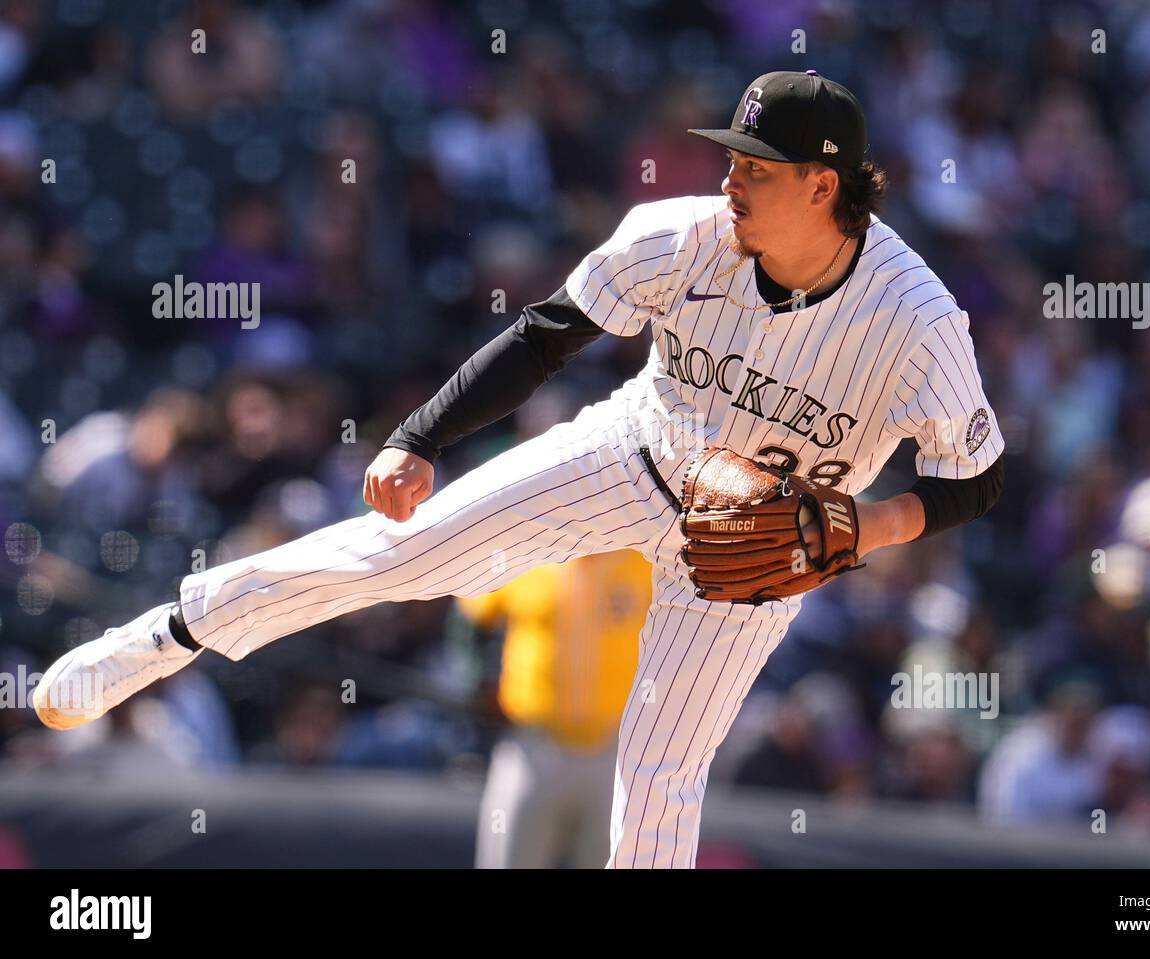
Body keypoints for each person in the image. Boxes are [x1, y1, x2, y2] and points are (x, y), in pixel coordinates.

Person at [33, 70, 1005, 868]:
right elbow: (547, 337)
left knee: (662, 770)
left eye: (755, 166)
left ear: (821, 186)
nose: (730, 180)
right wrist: (418, 435)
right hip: (635, 451)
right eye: (732, 158)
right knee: (401, 553)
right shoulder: (682, 234)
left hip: (766, 545)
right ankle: (174, 628)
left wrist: (859, 529)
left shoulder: (915, 319)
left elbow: (974, 479)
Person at [462, 551, 651, 868]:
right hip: (533, 746)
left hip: (617, 751)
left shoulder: (644, 558)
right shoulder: (530, 546)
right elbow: (472, 616)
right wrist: (480, 681)